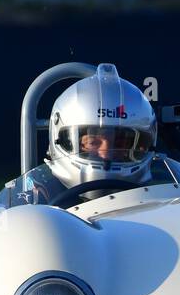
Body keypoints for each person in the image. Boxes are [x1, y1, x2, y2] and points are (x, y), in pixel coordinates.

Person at [16, 63, 159, 201]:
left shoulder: (162, 200)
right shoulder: (38, 199)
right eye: (92, 142)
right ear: (60, 139)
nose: (106, 154)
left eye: (121, 143)